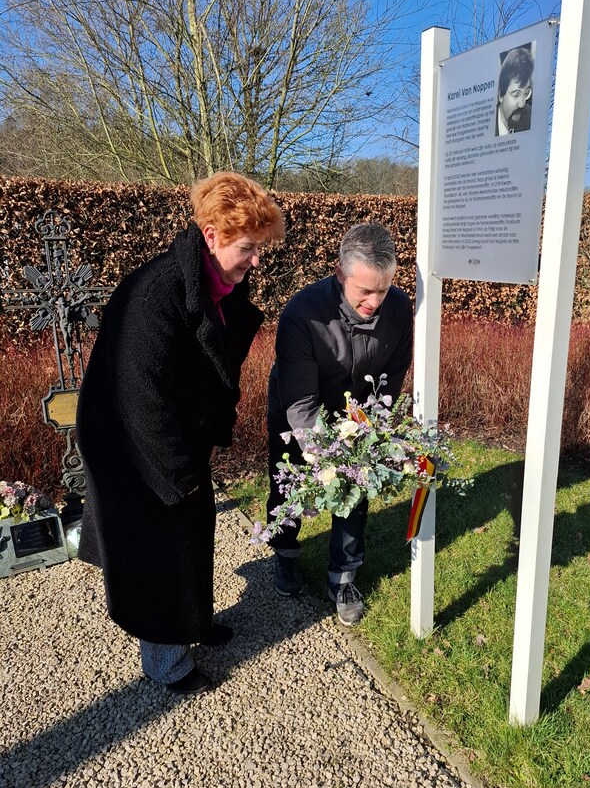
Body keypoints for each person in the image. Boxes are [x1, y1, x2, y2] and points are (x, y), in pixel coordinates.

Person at [76, 171, 284, 695]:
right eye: (249, 247)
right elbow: (136, 397)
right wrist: (178, 471)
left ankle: (194, 623)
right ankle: (166, 662)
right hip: (132, 445)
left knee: (195, 529)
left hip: (173, 435)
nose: (257, 260)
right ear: (211, 235)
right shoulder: (156, 293)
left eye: (260, 247)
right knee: (159, 548)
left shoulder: (215, 284)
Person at [266, 222, 413, 626]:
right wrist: (322, 455)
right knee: (289, 481)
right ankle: (285, 553)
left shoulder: (399, 310)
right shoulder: (302, 313)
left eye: (383, 289)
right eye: (364, 290)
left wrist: (371, 432)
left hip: (356, 414)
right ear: (339, 273)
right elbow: (301, 400)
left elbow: (393, 375)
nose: (375, 301)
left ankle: (343, 575)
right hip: (298, 408)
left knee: (355, 485)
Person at [495, 45, 534, 136]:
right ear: (501, 94)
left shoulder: (531, 117)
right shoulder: (488, 123)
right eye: (516, 95)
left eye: (526, 93)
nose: (522, 104)